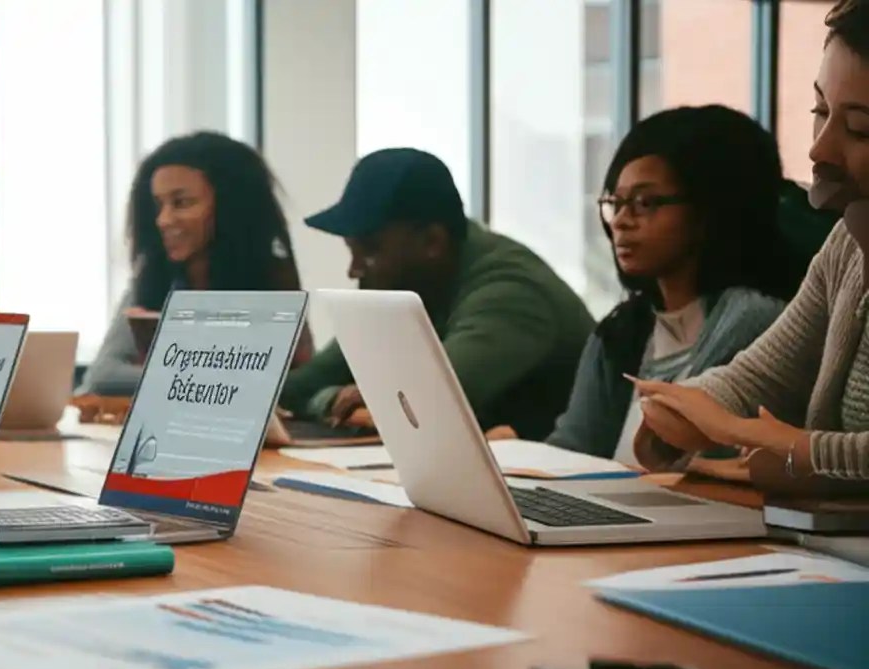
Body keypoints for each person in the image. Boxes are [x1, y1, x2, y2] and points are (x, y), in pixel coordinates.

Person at [634, 0, 869, 486]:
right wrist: (681, 416)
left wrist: (768, 439)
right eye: (819, 111)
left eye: (860, 129)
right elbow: (762, 377)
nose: (818, 149)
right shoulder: (848, 246)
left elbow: (749, 429)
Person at [278, 148, 595, 441]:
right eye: (352, 252)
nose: (354, 270)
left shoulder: (510, 291)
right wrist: (332, 399)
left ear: (432, 242)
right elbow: (293, 390)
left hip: (556, 488)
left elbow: (423, 405)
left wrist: (342, 400)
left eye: (370, 251)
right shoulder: (408, 284)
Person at [540, 106, 791, 463]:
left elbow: (701, 461)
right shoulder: (623, 330)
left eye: (644, 203)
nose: (622, 222)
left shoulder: (754, 318)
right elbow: (572, 449)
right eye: (616, 202)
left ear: (709, 211)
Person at [78, 131, 313, 397]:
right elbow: (104, 375)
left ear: (231, 206)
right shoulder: (152, 281)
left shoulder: (274, 284)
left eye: (181, 203)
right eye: (158, 206)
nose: (163, 220)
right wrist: (216, 378)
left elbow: (297, 379)